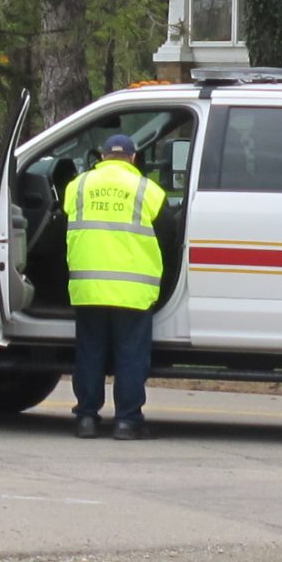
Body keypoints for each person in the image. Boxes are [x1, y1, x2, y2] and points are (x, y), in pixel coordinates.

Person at [64, 130, 167, 440]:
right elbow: (167, 228)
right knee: (131, 356)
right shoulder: (147, 189)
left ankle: (86, 418)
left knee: (90, 352)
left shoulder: (78, 186)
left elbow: (66, 216)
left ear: (103, 157)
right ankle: (127, 421)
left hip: (89, 286)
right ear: (133, 158)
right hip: (132, 289)